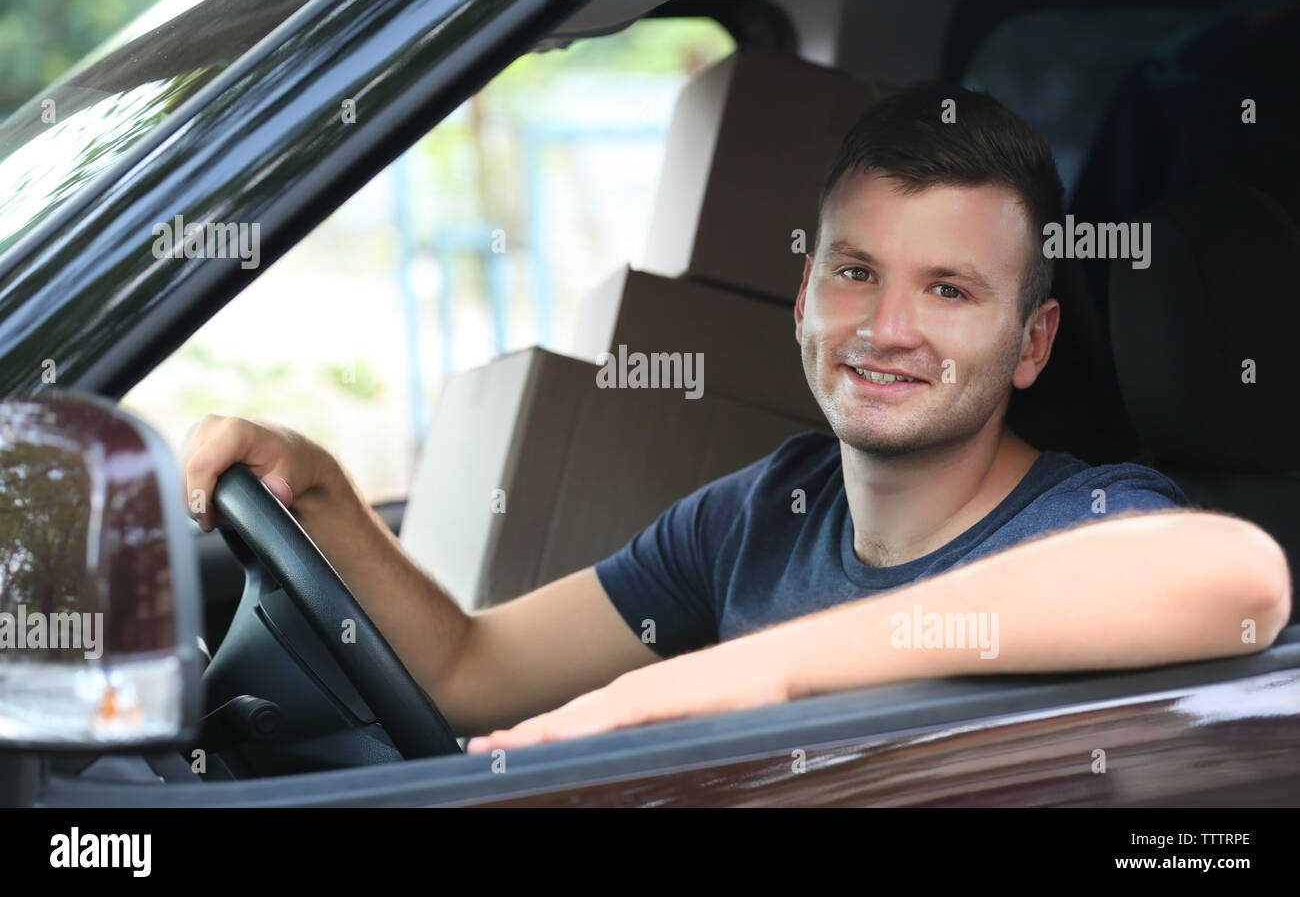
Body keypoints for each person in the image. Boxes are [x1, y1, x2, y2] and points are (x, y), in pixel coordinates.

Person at [183, 83, 1291, 753]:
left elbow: (1235, 574)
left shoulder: (1085, 519)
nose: (886, 327)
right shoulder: (763, 508)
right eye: (857, 272)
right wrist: (322, 489)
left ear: (1032, 344)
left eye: (949, 290)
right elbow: (465, 669)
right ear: (805, 292)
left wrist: (756, 670)